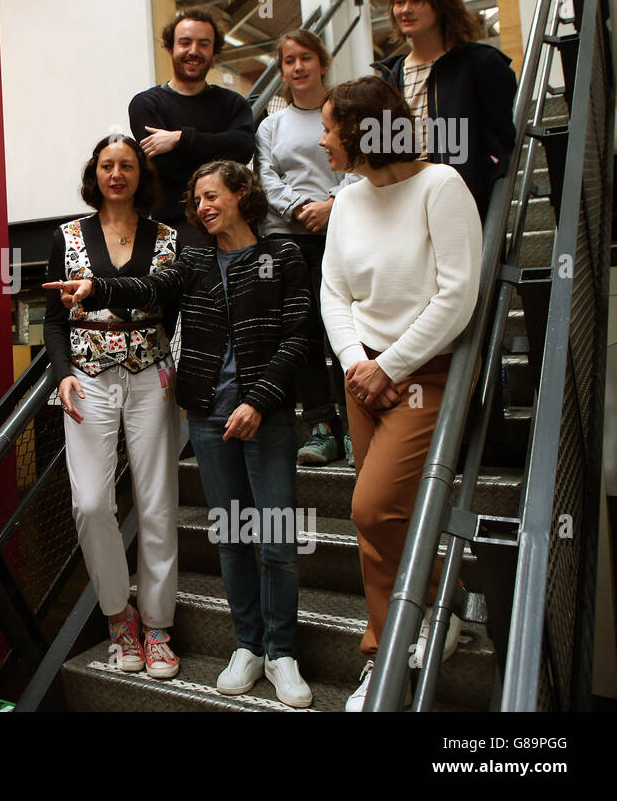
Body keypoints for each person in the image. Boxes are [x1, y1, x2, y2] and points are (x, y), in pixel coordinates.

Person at [47, 160, 316, 708]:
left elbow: (299, 334)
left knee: (277, 537)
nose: (203, 207)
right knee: (231, 536)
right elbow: (147, 285)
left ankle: (282, 653)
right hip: (210, 416)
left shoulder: (281, 255)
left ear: (243, 194)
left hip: (267, 415)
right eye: (197, 200)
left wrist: (259, 401)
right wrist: (95, 287)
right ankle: (248, 645)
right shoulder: (192, 261)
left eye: (213, 196)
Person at [317, 76, 481, 711]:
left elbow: (457, 295)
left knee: (373, 509)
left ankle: (438, 605)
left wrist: (393, 367)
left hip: (422, 376)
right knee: (377, 520)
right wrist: (359, 363)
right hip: (363, 378)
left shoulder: (440, 187)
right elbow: (334, 292)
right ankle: (388, 653)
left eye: (331, 128)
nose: (323, 139)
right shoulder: (350, 198)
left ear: (362, 132)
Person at [42, 133, 182, 680]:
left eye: (127, 165)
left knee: (156, 504)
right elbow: (54, 320)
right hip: (89, 379)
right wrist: (62, 376)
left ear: (141, 176)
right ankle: (117, 618)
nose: (117, 174)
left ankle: (156, 628)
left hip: (152, 376)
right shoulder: (67, 235)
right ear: (94, 173)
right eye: (107, 165)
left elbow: (165, 301)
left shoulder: (168, 236)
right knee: (93, 502)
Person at [253, 29, 360, 467]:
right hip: (287, 238)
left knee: (344, 330)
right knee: (302, 331)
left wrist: (333, 204)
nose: (297, 67)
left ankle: (357, 427)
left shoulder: (344, 113)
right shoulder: (271, 124)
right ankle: (321, 428)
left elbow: (358, 165)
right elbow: (266, 176)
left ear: (322, 62)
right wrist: (301, 208)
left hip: (341, 230)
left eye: (305, 58)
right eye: (288, 61)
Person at [372, 0, 516, 221]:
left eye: (417, 0)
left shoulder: (478, 64)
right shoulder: (388, 76)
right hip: (403, 200)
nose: (405, 9)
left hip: (459, 196)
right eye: (399, 1)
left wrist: (483, 178)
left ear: (440, 3)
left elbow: (501, 138)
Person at [128, 8, 256, 245]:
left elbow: (242, 148)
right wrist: (218, 152)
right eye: (185, 43)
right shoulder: (146, 104)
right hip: (173, 233)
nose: (194, 51)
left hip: (232, 229)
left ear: (214, 53)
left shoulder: (234, 103)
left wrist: (180, 139)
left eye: (203, 44)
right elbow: (166, 166)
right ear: (170, 48)